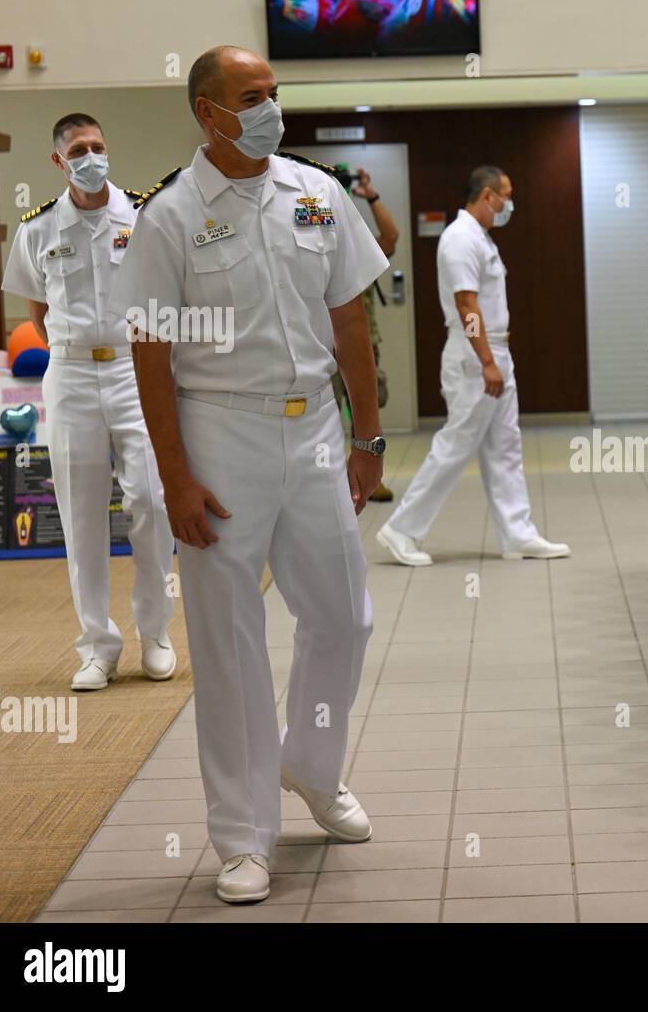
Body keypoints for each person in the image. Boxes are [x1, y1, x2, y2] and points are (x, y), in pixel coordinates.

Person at [109, 45, 388, 903]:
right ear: (207, 111)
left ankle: (309, 764)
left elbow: (350, 319)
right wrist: (173, 478)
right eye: (251, 97)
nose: (271, 108)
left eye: (274, 93)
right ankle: (241, 836)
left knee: (343, 616)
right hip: (219, 431)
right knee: (229, 641)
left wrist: (368, 438)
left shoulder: (317, 193)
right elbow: (149, 355)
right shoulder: (169, 214)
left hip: (312, 433)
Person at [2, 113, 176, 692]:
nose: (93, 155)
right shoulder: (38, 228)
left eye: (99, 145)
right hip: (72, 373)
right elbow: (35, 314)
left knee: (150, 501)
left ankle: (155, 633)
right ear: (59, 161)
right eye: (80, 148)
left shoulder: (143, 216)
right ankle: (98, 646)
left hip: (133, 368)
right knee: (80, 514)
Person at [376, 165, 569, 565]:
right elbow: (467, 305)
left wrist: (495, 359)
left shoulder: (480, 238)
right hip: (475, 354)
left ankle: (517, 534)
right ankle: (401, 529)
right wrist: (486, 361)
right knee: (455, 445)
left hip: (495, 351)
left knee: (505, 447)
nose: (509, 204)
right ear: (487, 196)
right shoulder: (460, 239)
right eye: (506, 195)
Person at [331, 166, 399, 503]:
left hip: (362, 340)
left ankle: (367, 471)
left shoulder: (355, 239)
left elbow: (390, 238)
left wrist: (371, 197)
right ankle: (329, 478)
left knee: (365, 410)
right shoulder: (316, 234)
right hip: (323, 346)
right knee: (327, 415)